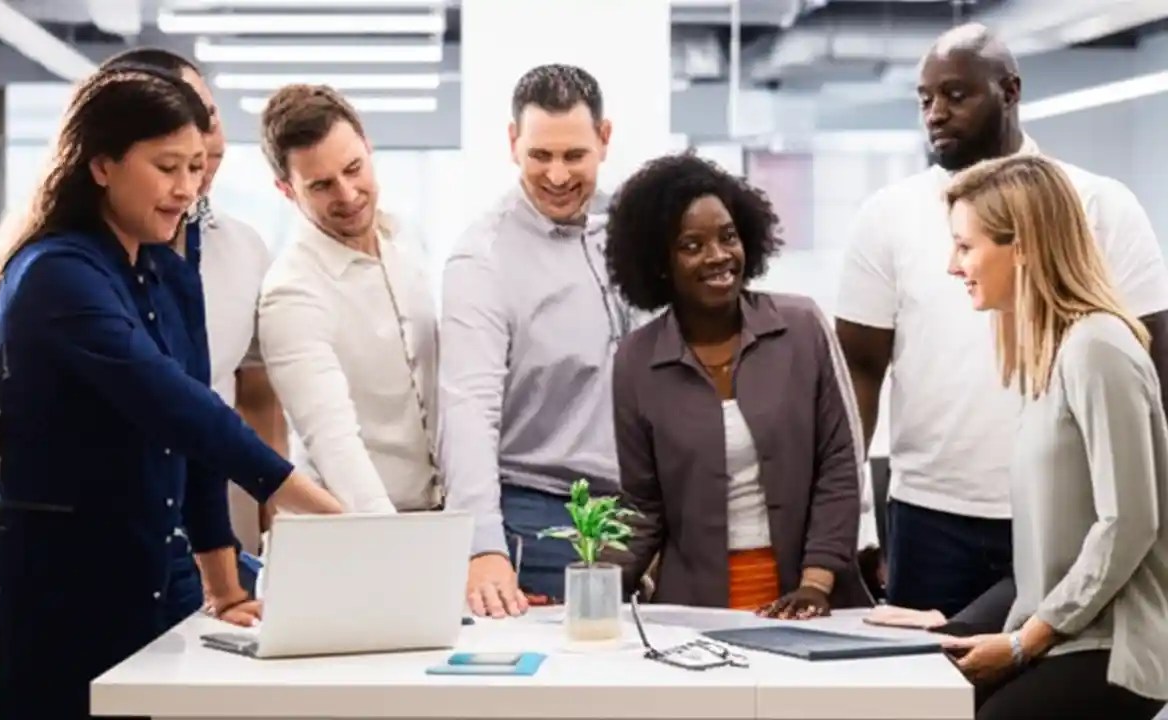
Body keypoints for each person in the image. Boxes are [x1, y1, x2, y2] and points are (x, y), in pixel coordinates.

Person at [0, 65, 341, 719]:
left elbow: (198, 431)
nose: (186, 189)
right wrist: (327, 511)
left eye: (195, 167)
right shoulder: (54, 274)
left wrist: (225, 586)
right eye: (166, 168)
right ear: (102, 165)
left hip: (150, 579)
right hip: (61, 596)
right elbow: (173, 407)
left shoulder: (163, 265)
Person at [834, 22, 1168, 618]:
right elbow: (858, 375)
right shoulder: (887, 216)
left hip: (1072, 512)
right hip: (929, 515)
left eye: (956, 95)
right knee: (923, 698)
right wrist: (851, 523)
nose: (935, 113)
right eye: (925, 99)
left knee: (1041, 689)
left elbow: (1155, 365)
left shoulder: (1099, 204)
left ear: (1010, 91)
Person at [937, 155, 1168, 718]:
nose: (952, 265)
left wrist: (1024, 642)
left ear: (1023, 246)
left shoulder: (1098, 348)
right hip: (1068, 632)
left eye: (965, 246)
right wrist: (949, 624)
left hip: (1116, 646)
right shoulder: (1052, 355)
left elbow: (1129, 522)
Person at [603, 152, 872, 616]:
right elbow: (642, 506)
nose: (719, 256)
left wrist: (816, 584)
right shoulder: (636, 360)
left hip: (809, 595)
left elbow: (839, 468)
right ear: (660, 262)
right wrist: (590, 592)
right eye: (692, 245)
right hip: (696, 607)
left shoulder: (801, 327)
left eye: (728, 237)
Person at [440, 63, 633, 617]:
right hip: (538, 522)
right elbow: (468, 408)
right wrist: (482, 546)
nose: (555, 175)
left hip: (639, 520)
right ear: (511, 143)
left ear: (604, 138)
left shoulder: (631, 228)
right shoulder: (483, 259)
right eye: (539, 156)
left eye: (574, 156)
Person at [98, 47, 286, 609]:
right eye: (178, 125)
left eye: (208, 118)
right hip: (108, 536)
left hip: (210, 537)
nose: (205, 143)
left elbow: (249, 402)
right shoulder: (74, 268)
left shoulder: (241, 247)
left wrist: (272, 534)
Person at [257, 84, 440, 515]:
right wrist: (388, 536)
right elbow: (333, 440)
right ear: (287, 190)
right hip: (354, 528)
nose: (347, 194)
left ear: (368, 148)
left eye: (354, 168)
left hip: (432, 517)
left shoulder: (406, 241)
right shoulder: (292, 291)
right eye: (321, 185)